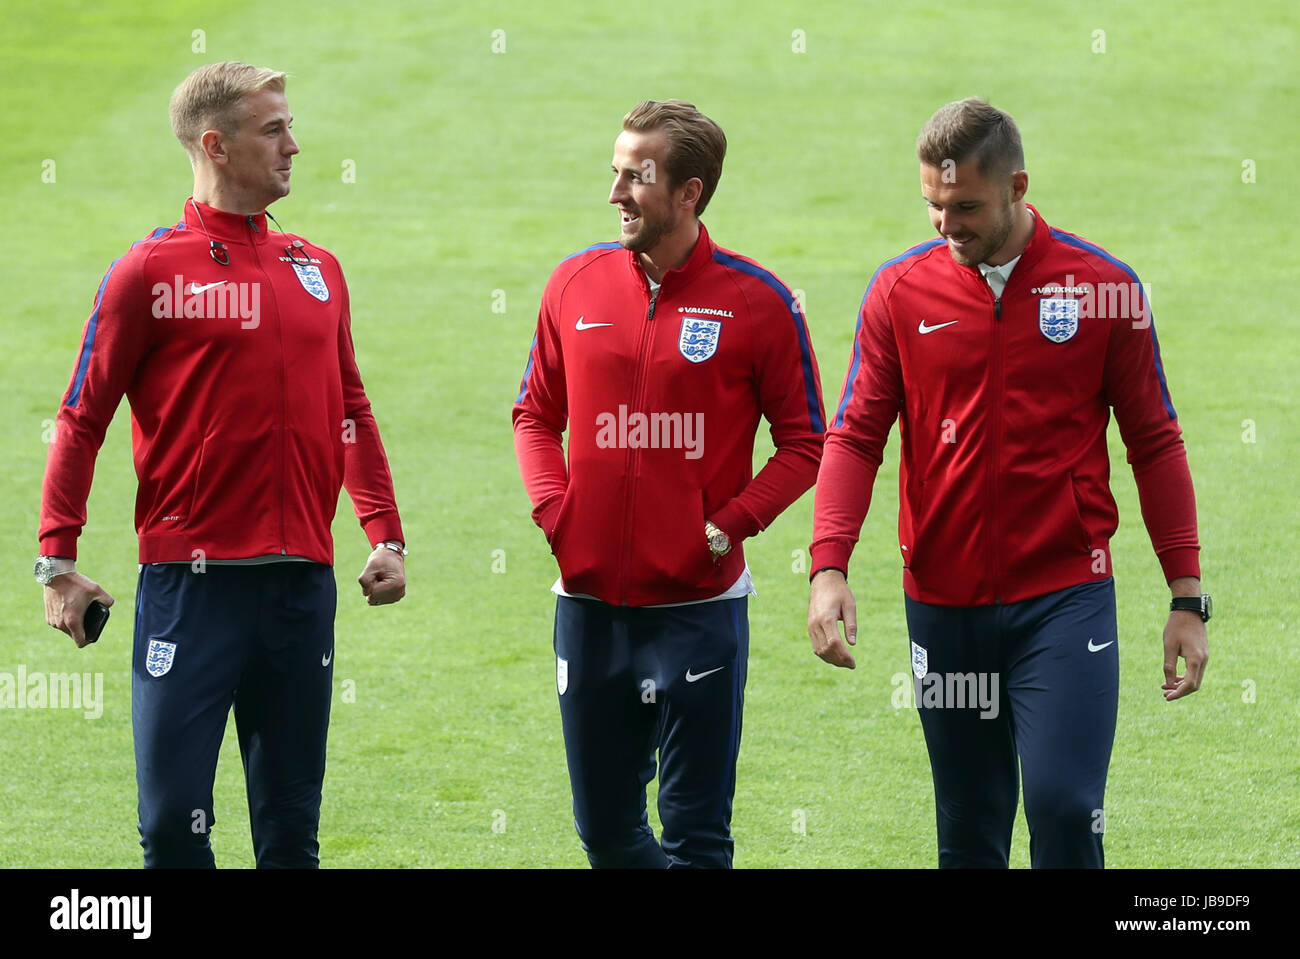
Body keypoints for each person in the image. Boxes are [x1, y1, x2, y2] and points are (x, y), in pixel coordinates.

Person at [807, 98, 1209, 868]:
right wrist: (829, 566)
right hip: (944, 607)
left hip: (1064, 601)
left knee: (1065, 810)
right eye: (932, 205)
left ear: (1018, 186)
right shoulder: (899, 294)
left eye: (965, 207)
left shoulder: (1104, 290)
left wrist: (1186, 596)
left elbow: (1154, 443)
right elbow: (856, 435)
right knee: (969, 830)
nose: (945, 224)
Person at [36, 61, 406, 868]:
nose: (295, 146)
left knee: (289, 834)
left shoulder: (319, 268)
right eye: (274, 130)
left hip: (299, 588)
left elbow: (352, 410)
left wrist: (386, 533)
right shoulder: (149, 273)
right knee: (172, 826)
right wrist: (56, 563)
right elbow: (81, 416)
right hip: (190, 591)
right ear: (217, 144)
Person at [513, 99, 825, 868]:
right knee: (608, 834)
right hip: (588, 610)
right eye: (615, 172)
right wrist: (556, 511)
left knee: (695, 837)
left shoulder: (758, 302)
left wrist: (730, 523)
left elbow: (805, 443)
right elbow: (533, 414)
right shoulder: (574, 285)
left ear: (688, 192)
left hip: (699, 611)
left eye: (635, 177)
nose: (614, 193)